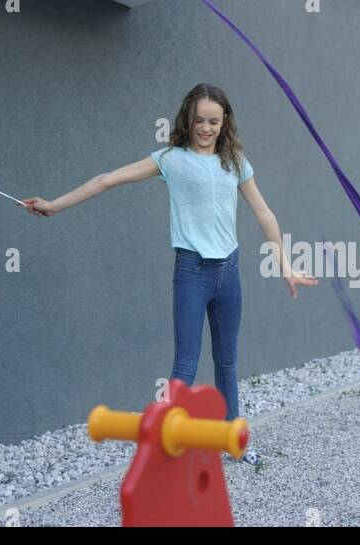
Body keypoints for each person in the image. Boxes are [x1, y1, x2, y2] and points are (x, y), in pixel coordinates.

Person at [23, 83, 317, 464]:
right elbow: (107, 179)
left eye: (213, 121)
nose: (206, 128)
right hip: (192, 273)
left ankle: (235, 439)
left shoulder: (235, 161)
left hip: (229, 272)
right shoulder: (171, 159)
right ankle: (162, 447)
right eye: (199, 120)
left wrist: (285, 265)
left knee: (227, 362)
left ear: (224, 120)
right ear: (187, 119)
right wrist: (54, 205)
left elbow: (264, 212)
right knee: (185, 365)